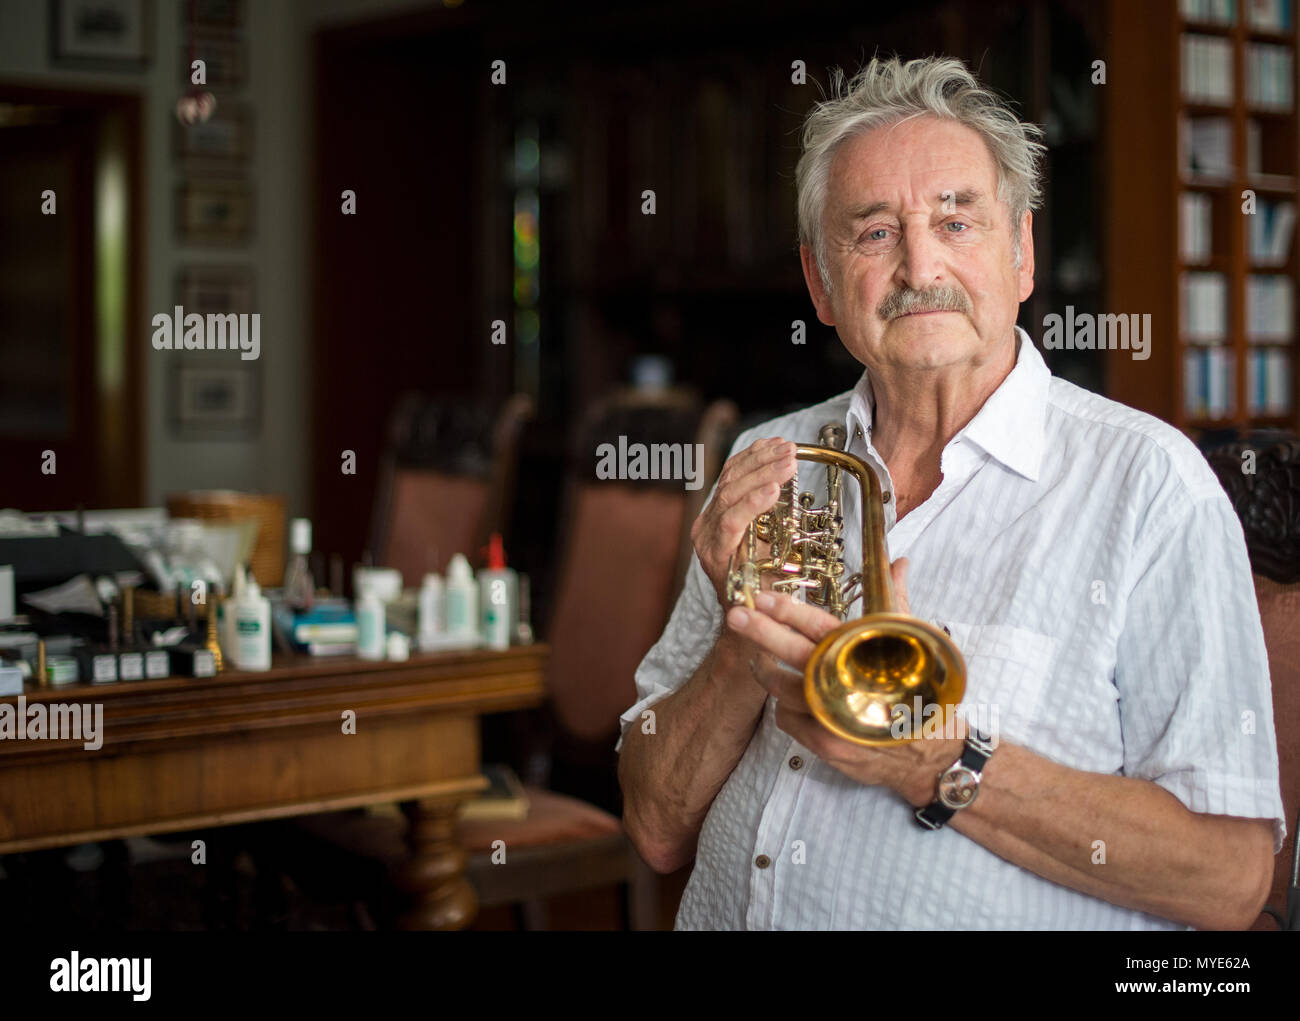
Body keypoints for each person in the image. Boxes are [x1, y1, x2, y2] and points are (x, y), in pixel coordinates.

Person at [616, 56, 1285, 930]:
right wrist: (749, 644)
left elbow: (1232, 880)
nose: (920, 265)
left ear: (1021, 253)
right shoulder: (765, 459)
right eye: (875, 233)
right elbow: (656, 827)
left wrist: (933, 760)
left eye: (957, 221)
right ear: (820, 281)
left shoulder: (1151, 485)